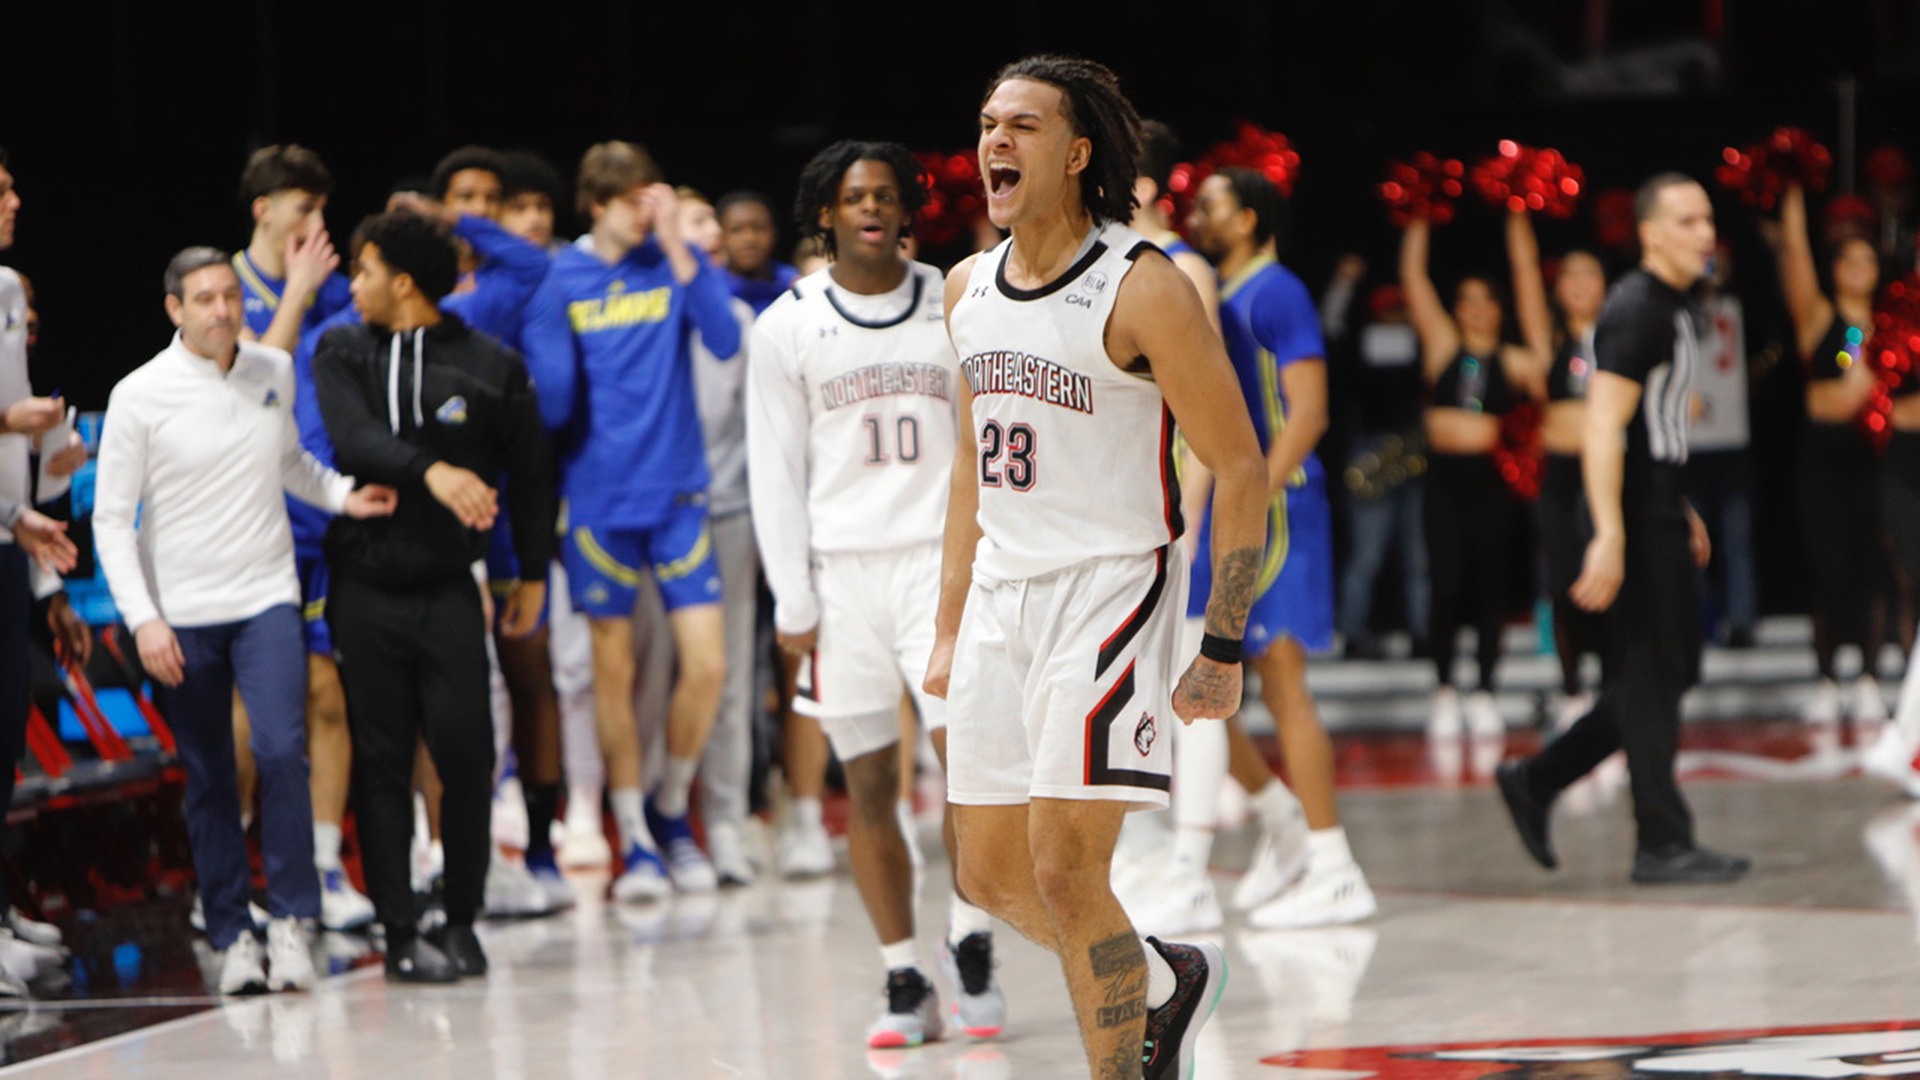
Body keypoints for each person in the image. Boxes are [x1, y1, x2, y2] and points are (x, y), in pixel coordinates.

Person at [930, 56, 1265, 1079]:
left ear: (1077, 155)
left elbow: (1242, 463)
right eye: (989, 124)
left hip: (1113, 590)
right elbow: (967, 477)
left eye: (1022, 126)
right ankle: (1163, 983)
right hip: (1002, 595)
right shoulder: (963, 288)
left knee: (1067, 872)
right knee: (986, 878)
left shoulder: (1142, 284)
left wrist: (1222, 640)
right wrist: (948, 623)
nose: (996, 142)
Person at [752, 140, 1008, 1048]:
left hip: (942, 572)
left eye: (886, 196)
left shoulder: (957, 298)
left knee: (971, 778)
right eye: (853, 197)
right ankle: (904, 971)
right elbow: (774, 473)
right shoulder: (784, 326)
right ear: (823, 214)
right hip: (843, 578)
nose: (870, 208)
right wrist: (793, 599)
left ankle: (971, 939)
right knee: (866, 786)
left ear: (909, 213)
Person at [94, 247, 398, 994]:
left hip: (266, 595)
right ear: (175, 310)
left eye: (230, 296)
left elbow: (291, 462)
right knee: (209, 774)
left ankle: (292, 922)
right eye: (205, 299)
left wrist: (342, 495)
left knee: (282, 747)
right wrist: (143, 620)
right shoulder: (139, 394)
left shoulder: (273, 369)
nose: (223, 310)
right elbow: (109, 521)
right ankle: (232, 933)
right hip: (183, 614)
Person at [315, 211, 555, 981]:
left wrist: (533, 574)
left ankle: (460, 919)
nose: (353, 285)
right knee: (383, 763)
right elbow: (353, 441)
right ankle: (397, 933)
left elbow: (532, 474)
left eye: (365, 270)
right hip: (366, 587)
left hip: (455, 587)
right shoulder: (343, 347)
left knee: (467, 755)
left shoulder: (490, 363)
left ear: (404, 281)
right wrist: (436, 474)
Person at [1496, 173, 1752, 886]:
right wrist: (1612, 530)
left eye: (1707, 219)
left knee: (1666, 672)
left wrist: (1680, 506)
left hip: (1656, 499)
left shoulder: (1671, 304)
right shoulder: (1638, 308)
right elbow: (1604, 426)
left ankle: (1539, 778)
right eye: (1689, 220)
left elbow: (1651, 426)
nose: (1706, 231)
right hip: (1629, 508)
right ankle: (1661, 840)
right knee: (1651, 672)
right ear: (1650, 232)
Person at [521, 142, 740, 901]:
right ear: (598, 204)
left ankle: (671, 805)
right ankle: (636, 839)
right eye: (631, 202)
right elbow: (550, 406)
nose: (644, 213)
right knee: (611, 674)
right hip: (598, 504)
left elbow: (724, 336)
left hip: (678, 492)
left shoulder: (668, 263)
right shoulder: (560, 279)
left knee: (705, 665)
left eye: (652, 198)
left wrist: (680, 244)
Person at [1154, 167, 1368, 933]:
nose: (1198, 216)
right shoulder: (1230, 293)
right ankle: (1285, 828)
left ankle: (1335, 865)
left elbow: (1307, 415)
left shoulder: (1278, 292)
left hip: (1283, 508)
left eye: (1211, 205)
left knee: (1282, 685)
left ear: (1247, 218)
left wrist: (1251, 496)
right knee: (1209, 684)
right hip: (1245, 513)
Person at [229, 144, 374, 934]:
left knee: (328, 696)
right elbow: (253, 381)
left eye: (324, 211)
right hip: (249, 525)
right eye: (303, 209)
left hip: (325, 519)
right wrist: (300, 292)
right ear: (264, 209)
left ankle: (322, 865)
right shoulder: (222, 289)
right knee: (252, 714)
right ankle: (230, 871)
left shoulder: (338, 293)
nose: (318, 226)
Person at [1400, 208, 1553, 738]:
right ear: (1457, 308)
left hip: (1491, 486)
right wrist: (1417, 208)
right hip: (1444, 483)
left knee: (1489, 588)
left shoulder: (1515, 362)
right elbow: (1414, 281)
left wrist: (1516, 222)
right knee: (1445, 585)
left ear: (1499, 308)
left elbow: (1531, 289)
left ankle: (1486, 690)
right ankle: (1444, 688)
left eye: (1487, 301)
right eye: (1467, 300)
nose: (1477, 310)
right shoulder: (1443, 346)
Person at [0, 149, 87, 997]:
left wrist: (41, 479)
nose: (17, 200)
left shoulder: (6, 289)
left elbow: (15, 460)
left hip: (6, 544)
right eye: (2, 191)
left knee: (6, 727)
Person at [1771, 182, 1890, 723]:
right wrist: (1792, 188)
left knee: (1872, 565)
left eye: (1869, 259)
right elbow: (1794, 254)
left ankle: (1868, 677)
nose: (1860, 267)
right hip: (1822, 455)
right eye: (1851, 259)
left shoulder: (1894, 324)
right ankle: (1825, 678)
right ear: (1836, 266)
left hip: (1874, 455)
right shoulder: (1819, 318)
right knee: (1827, 565)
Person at [1536, 250, 1611, 730]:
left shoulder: (1619, 335)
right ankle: (1572, 689)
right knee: (1564, 582)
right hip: (1560, 476)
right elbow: (1525, 273)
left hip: (1606, 470)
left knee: (1609, 581)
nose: (1580, 282)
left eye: (1591, 271)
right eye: (1570, 273)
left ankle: (1612, 686)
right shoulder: (1549, 337)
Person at [718, 191, 799, 315]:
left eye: (759, 227)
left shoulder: (795, 286)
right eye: (736, 229)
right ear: (720, 236)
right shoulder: (710, 290)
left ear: (774, 234)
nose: (749, 238)